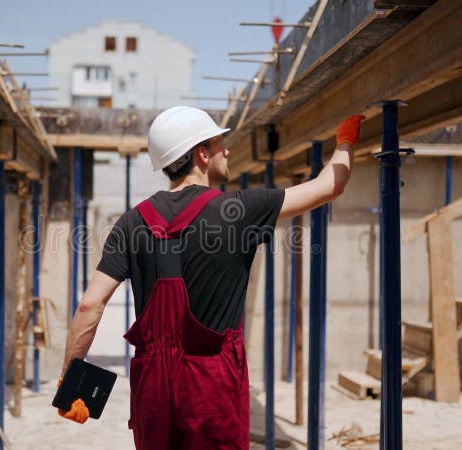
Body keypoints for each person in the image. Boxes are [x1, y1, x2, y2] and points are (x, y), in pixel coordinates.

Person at [57, 106, 364, 449]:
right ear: (202, 154)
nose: (227, 151)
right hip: (211, 389)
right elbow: (330, 185)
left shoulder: (131, 222)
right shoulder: (241, 210)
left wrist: (70, 384)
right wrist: (345, 141)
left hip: (152, 390)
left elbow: (89, 305)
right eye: (220, 144)